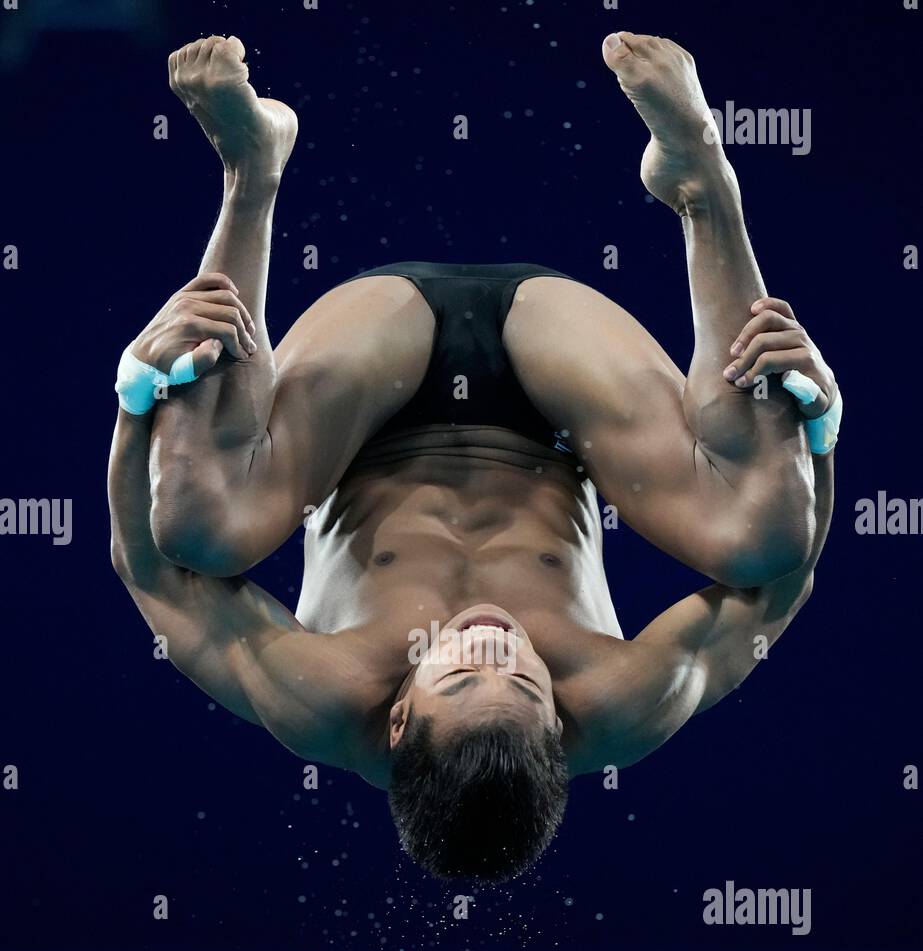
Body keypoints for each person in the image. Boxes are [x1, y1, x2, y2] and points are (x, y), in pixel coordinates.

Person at [109, 32, 840, 881]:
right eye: (527, 686)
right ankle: (702, 183)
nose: (492, 649)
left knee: (197, 530)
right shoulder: (620, 705)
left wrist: (134, 394)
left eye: (457, 682)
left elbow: (149, 574)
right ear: (559, 730)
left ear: (396, 721)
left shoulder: (318, 698)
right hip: (558, 384)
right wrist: (818, 423)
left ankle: (250, 171)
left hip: (367, 386)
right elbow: (781, 587)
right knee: (765, 536)